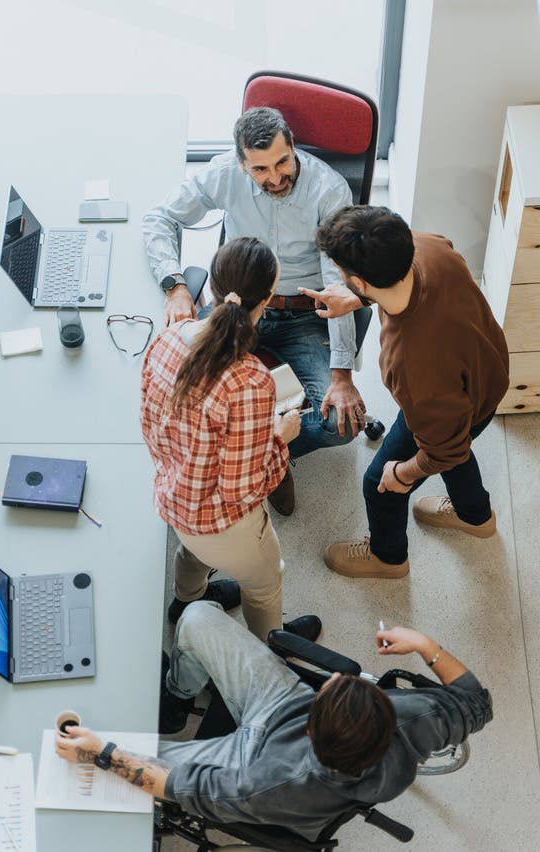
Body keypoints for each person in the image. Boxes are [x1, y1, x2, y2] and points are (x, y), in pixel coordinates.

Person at [55, 600, 492, 842]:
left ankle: (156, 715)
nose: (334, 677)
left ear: (313, 727)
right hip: (282, 707)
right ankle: (179, 697)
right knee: (199, 617)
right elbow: (476, 700)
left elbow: (174, 784)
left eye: (330, 688)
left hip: (247, 760)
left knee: (105, 756)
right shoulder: (410, 718)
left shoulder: (272, 785)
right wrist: (424, 644)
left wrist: (105, 755)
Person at [142, 106, 371, 515]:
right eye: (260, 169)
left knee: (341, 425)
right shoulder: (223, 174)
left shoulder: (329, 189)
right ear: (241, 163)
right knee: (180, 388)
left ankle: (261, 453)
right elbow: (159, 217)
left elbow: (336, 282)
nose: (276, 177)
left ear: (293, 147)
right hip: (240, 302)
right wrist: (174, 285)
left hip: (307, 310)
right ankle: (257, 455)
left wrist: (341, 374)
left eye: (282, 161)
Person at [298, 205, 509, 578]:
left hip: (448, 400)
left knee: (379, 482)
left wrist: (406, 473)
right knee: (452, 439)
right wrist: (357, 299)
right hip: (486, 374)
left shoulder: (411, 364)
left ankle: (387, 557)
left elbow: (445, 448)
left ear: (360, 280)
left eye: (343, 275)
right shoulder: (430, 247)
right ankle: (475, 516)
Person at [141, 236, 320, 649]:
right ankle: (270, 652)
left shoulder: (167, 339)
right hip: (226, 526)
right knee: (265, 584)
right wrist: (280, 440)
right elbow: (242, 490)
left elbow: (151, 424)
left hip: (175, 499)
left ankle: (186, 600)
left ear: (214, 286)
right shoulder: (251, 380)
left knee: (191, 553)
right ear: (270, 298)